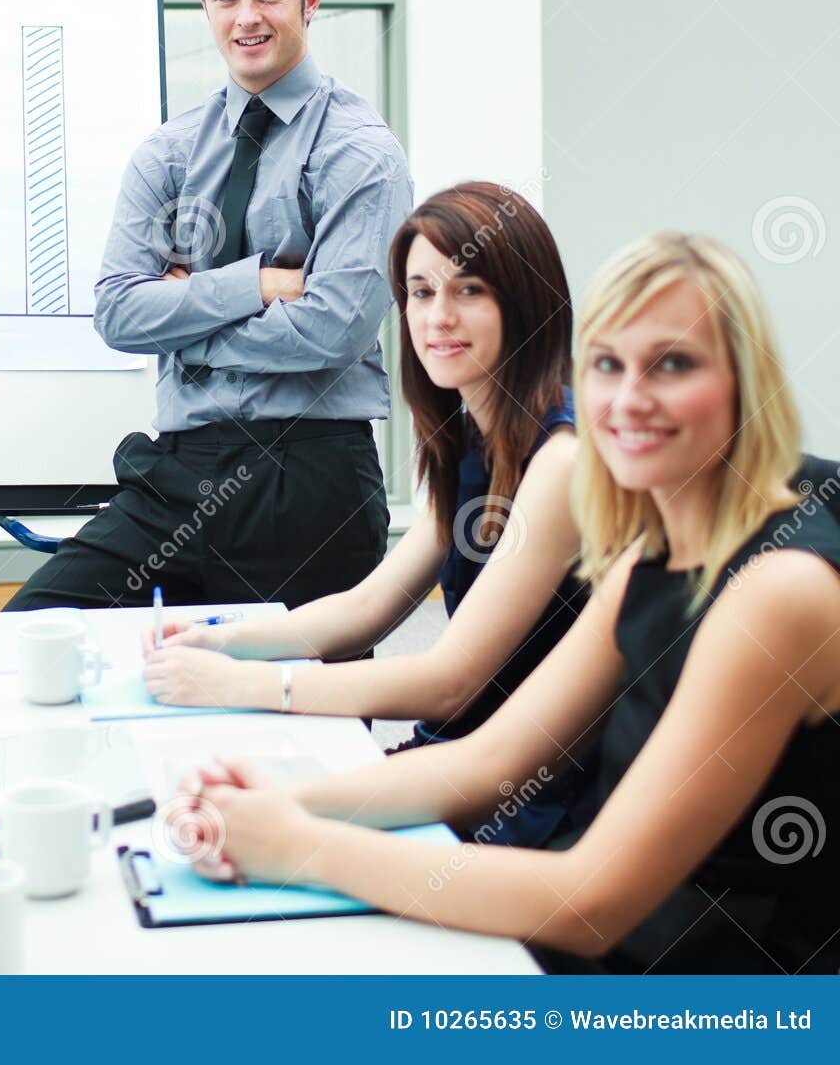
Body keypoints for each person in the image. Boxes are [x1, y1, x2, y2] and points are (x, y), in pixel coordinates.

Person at [169, 233, 840, 974]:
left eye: (673, 362)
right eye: (608, 364)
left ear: (749, 382)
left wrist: (301, 845)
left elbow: (592, 902)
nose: (627, 399)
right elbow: (489, 760)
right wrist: (291, 799)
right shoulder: (657, 545)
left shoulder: (778, 590)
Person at [141, 183, 591, 845]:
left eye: (469, 290)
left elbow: (449, 680)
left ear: (525, 301)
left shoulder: (562, 459)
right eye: (420, 292)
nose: (438, 316)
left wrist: (240, 682)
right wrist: (219, 639)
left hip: (526, 790)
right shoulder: (473, 437)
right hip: (456, 758)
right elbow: (368, 606)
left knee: (269, 838)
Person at [7, 0, 413, 614]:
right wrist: (257, 282)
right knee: (34, 629)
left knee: (290, 714)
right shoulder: (168, 152)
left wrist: (186, 320)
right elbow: (121, 312)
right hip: (177, 473)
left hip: (308, 476)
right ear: (205, 4)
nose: (246, 17)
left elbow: (334, 328)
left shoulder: (362, 152)